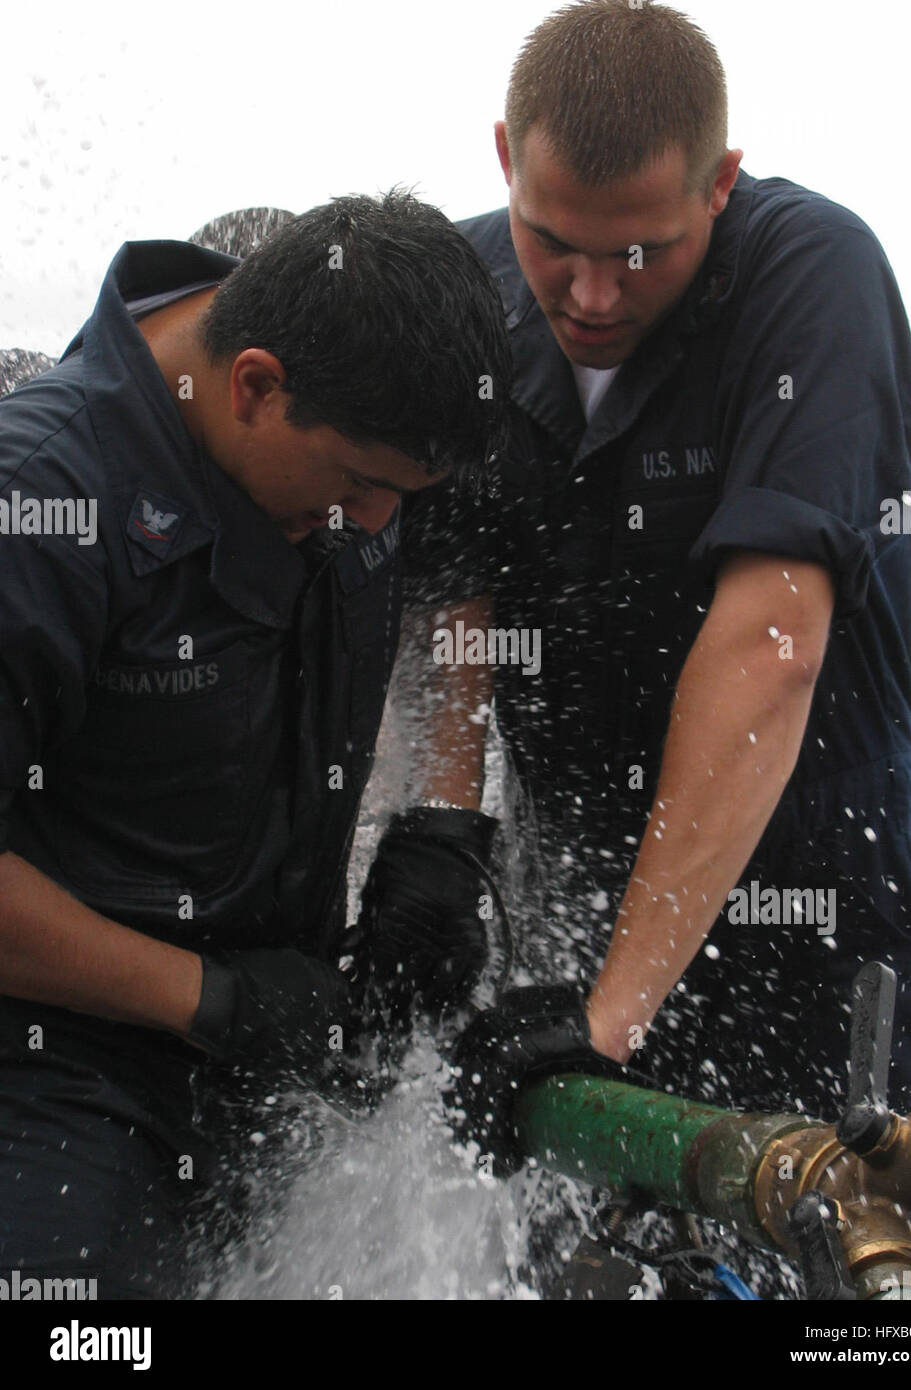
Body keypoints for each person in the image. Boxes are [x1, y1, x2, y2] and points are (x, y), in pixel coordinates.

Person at [361, 0, 911, 1272]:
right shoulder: (469, 286)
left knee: (868, 1261)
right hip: (567, 896)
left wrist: (610, 1017)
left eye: (639, 253)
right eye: (554, 244)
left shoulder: (817, 277)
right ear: (503, 163)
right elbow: (457, 577)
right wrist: (441, 826)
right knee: (583, 1267)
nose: (590, 294)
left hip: (809, 904)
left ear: (722, 184)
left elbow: (774, 642)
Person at [0, 190, 510, 1299]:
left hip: (274, 1040)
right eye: (362, 488)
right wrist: (208, 999)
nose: (381, 525)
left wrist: (442, 823)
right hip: (59, 1062)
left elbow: (450, 570)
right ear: (255, 386)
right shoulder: (39, 506)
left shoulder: (353, 407)